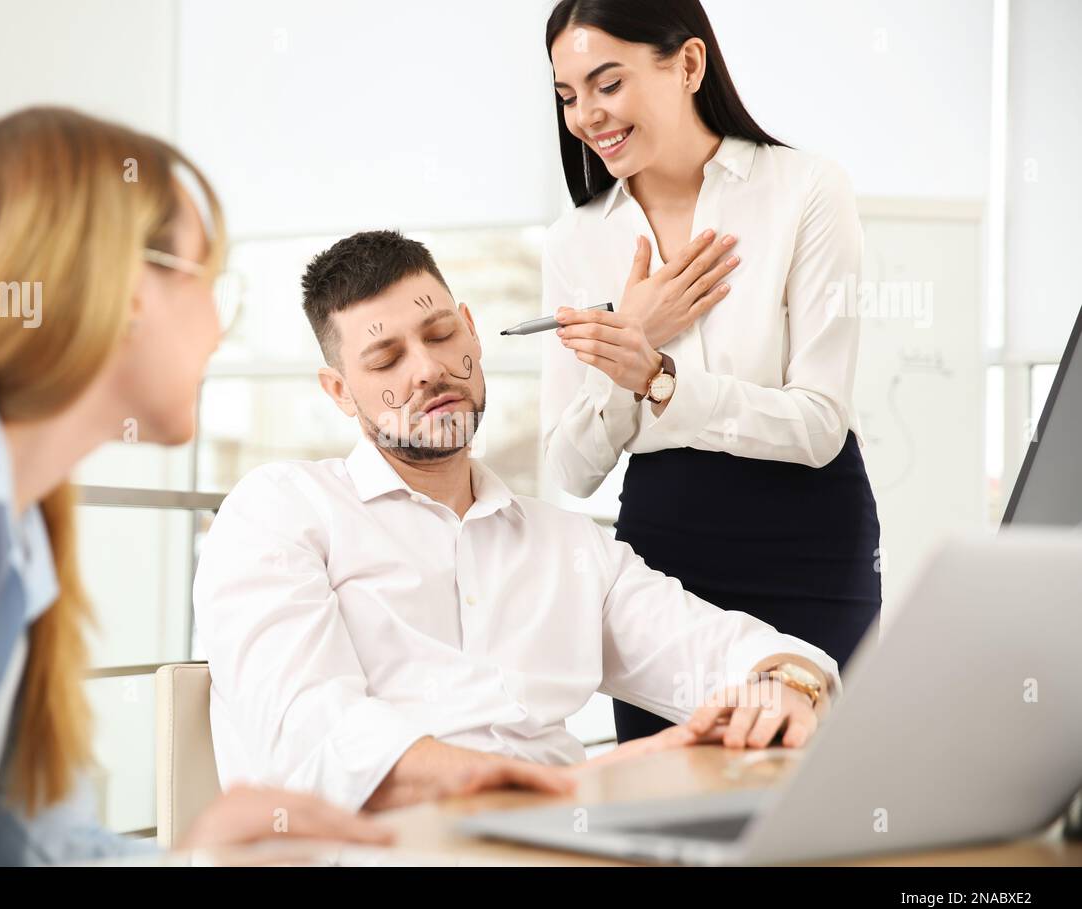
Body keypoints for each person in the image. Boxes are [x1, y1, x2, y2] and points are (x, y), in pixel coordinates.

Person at [0, 107, 390, 865]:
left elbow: (44, 847)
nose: (217, 328)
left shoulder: (23, 527)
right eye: (211, 282)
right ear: (130, 289)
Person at [193, 229, 842, 814]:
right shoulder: (281, 510)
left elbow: (722, 650)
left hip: (563, 844)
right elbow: (312, 742)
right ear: (339, 391)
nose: (427, 369)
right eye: (386, 359)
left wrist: (783, 684)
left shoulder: (565, 545)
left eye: (441, 335)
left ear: (473, 333)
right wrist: (563, 786)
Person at [539, 0, 883, 742]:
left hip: (810, 543)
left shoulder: (805, 190)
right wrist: (632, 345)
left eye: (607, 84)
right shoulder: (575, 239)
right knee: (668, 795)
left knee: (804, 790)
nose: (586, 116)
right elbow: (568, 465)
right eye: (568, 96)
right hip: (663, 558)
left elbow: (820, 424)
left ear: (688, 64)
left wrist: (660, 380)